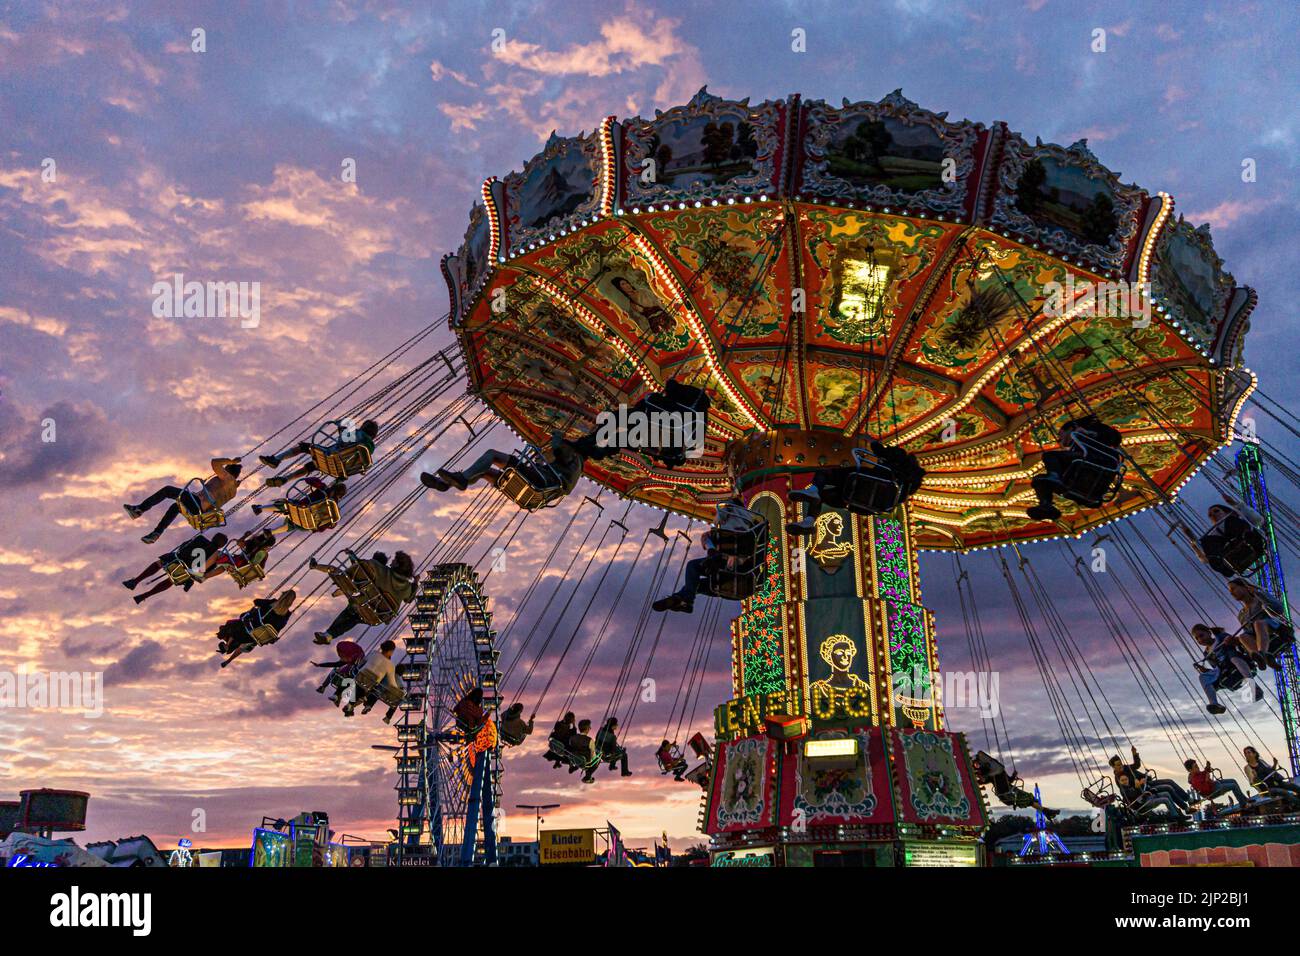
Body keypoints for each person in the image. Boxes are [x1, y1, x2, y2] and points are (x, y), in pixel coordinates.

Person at [786, 440, 925, 534]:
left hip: (862, 482)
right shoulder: (906, 488)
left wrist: (873, 441)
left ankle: (813, 491)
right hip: (864, 503)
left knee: (825, 472)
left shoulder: (899, 458)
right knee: (823, 497)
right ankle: (809, 521)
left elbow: (878, 449)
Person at [420, 430, 585, 501]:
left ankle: (461, 479)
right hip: (535, 493)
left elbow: (557, 448)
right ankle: (447, 484)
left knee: (492, 454)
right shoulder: (568, 473)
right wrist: (541, 461)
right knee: (484, 472)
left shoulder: (573, 456)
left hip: (539, 483)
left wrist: (557, 436)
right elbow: (549, 462)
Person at [124, 457, 243, 543]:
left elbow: (214, 462)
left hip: (197, 503)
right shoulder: (233, 491)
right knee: (176, 506)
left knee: (168, 490)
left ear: (227, 470)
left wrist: (231, 461)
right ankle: (156, 533)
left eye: (225, 467)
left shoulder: (226, 477)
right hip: (201, 514)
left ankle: (139, 509)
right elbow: (222, 492)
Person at [1027, 415, 1122, 521]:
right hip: (1085, 471)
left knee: (1050, 456)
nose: (1059, 439)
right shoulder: (1077, 448)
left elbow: (1115, 437)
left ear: (1070, 429)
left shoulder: (1093, 430)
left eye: (1060, 435)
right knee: (1039, 479)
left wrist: (1090, 433)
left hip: (1099, 459)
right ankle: (1046, 504)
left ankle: (1055, 477)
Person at [312, 550, 416, 644]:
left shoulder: (381, 569)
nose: (391, 561)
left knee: (352, 610)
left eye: (394, 560)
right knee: (356, 617)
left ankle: (329, 634)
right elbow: (409, 599)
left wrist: (352, 556)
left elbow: (362, 566)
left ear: (397, 564)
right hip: (377, 616)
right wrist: (415, 583)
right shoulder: (407, 587)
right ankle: (328, 635)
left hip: (364, 605)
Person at [259, 419, 380, 486]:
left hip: (330, 455)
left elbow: (343, 439)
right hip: (339, 470)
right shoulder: (369, 448)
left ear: (364, 427)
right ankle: (285, 479)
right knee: (312, 466)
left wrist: (340, 426)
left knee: (305, 447)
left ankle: (277, 460)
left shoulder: (357, 433)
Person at [122, 531, 229, 604]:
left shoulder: (201, 538)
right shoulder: (215, 558)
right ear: (221, 546)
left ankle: (135, 581)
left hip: (178, 559)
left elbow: (184, 546)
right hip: (187, 572)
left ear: (213, 537)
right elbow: (205, 571)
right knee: (172, 580)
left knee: (160, 563)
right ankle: (145, 595)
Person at [1191, 623, 1261, 714]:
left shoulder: (1220, 637)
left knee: (1234, 658)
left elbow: (1237, 643)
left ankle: (1254, 686)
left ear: (1209, 633)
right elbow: (1215, 666)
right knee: (1203, 677)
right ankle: (1214, 703)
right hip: (1223, 669)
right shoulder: (1206, 653)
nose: (1200, 639)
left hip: (1233, 659)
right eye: (1197, 639)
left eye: (1201, 635)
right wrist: (1206, 671)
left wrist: (1230, 641)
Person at [652, 530, 727, 613]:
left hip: (720, 570)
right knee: (692, 569)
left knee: (694, 583)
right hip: (724, 565)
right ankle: (684, 599)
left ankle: (682, 599)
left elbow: (707, 540)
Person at [1228, 577, 1293, 669]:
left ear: (1245, 587)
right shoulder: (1241, 615)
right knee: (1243, 636)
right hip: (1257, 637)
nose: (1231, 593)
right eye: (1230, 591)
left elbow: (1278, 609)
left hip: (1273, 629)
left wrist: (1258, 593)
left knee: (1258, 623)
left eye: (1233, 588)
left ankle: (1262, 654)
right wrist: (1236, 641)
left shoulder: (1259, 598)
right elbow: (1247, 632)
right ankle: (1262, 656)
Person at [1191, 498, 1265, 578]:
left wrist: (1236, 504)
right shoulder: (1214, 535)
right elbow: (1205, 558)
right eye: (1210, 515)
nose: (1213, 515)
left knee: (1229, 521)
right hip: (1236, 554)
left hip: (1252, 542)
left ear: (1226, 512)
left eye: (1216, 511)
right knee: (1206, 541)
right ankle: (1224, 565)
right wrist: (1195, 544)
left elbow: (1257, 520)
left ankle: (1245, 539)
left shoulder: (1235, 520)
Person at [971, 751, 1059, 818]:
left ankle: (1046, 812)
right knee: (1029, 800)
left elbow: (1009, 780)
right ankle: (1046, 812)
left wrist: (1013, 776)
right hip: (1005, 794)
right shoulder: (990, 776)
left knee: (1031, 798)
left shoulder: (1000, 772)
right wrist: (977, 777)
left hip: (1010, 790)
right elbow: (982, 781)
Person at [1110, 747, 1190, 818]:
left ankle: (1188, 801)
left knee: (1169, 782)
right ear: (1113, 767)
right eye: (1118, 765)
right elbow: (1129, 793)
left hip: (1147, 784)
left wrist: (1134, 754)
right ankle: (1182, 810)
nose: (1121, 766)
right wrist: (1138, 785)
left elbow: (1137, 765)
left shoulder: (1126, 768)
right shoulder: (1120, 779)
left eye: (1120, 763)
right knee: (1168, 788)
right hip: (1143, 792)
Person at [252, 477, 347, 534]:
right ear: (340, 496)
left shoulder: (324, 490)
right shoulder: (334, 511)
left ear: (334, 488)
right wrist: (315, 528)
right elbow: (326, 527)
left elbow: (309, 480)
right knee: (293, 525)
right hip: (306, 525)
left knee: (287, 505)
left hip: (299, 509)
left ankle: (260, 509)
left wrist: (326, 484)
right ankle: (271, 532)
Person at [216, 590, 296, 655]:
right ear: (291, 602)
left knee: (234, 624)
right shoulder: (286, 615)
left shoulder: (273, 603)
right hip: (254, 636)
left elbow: (256, 601)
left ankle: (227, 645)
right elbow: (279, 628)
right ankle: (228, 645)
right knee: (239, 628)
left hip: (248, 626)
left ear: (282, 596)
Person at [344, 639, 403, 723]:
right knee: (371, 690)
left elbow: (361, 663)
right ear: (390, 651)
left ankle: (350, 704)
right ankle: (359, 705)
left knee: (361, 685)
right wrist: (397, 691)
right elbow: (391, 683)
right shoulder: (391, 666)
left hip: (360, 677)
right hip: (371, 685)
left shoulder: (373, 653)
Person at [1183, 759, 1249, 817]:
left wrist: (1207, 767)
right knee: (1233, 786)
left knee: (1233, 780)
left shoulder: (1198, 773)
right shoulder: (1194, 780)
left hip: (1214, 785)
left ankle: (1244, 799)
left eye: (1197, 766)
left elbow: (1204, 773)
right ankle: (1243, 804)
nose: (1198, 767)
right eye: (1195, 767)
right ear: (1190, 770)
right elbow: (1206, 790)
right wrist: (1207, 779)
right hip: (1212, 791)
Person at [208, 530, 276, 580]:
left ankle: (202, 570)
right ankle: (205, 576)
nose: (260, 535)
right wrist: (245, 536)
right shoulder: (254, 543)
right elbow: (240, 543)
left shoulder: (262, 552)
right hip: (240, 565)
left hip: (242, 566)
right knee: (223, 566)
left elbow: (253, 565)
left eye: (262, 536)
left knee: (217, 554)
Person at [568, 719, 598, 783]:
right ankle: (588, 776)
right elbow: (593, 755)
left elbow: (571, 748)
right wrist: (596, 758)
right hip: (585, 762)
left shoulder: (572, 738)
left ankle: (574, 767)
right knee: (598, 760)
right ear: (587, 729)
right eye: (589, 727)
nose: (590, 728)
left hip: (575, 758)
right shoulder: (590, 740)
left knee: (578, 754)